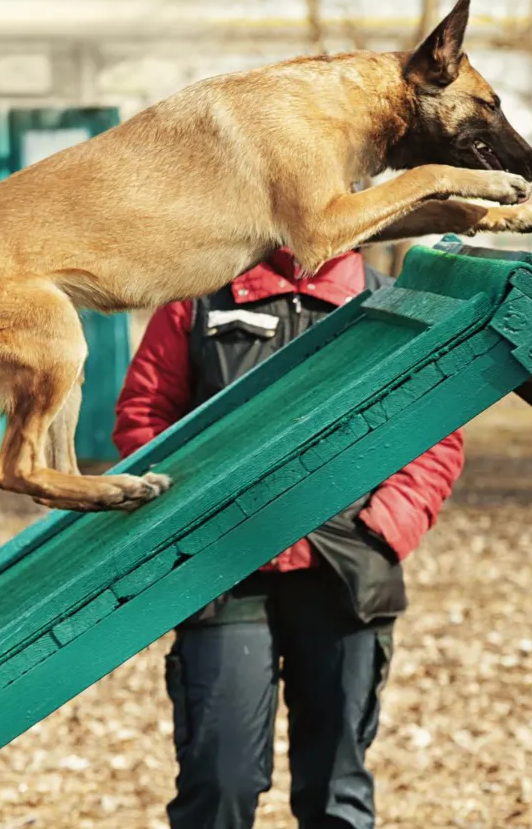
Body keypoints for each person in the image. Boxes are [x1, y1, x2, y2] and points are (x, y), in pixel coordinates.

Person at [112, 246, 465, 829]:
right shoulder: (199, 297)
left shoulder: (391, 307)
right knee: (218, 785)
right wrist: (192, 521)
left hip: (346, 572)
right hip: (222, 572)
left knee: (336, 793)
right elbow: (145, 416)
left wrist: (381, 530)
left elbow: (436, 435)